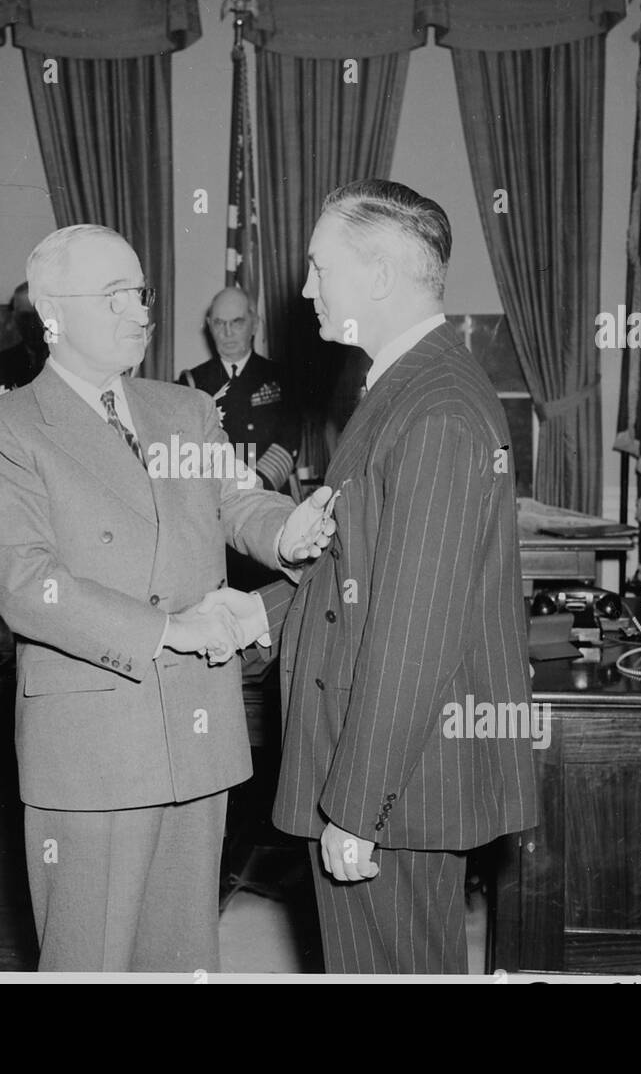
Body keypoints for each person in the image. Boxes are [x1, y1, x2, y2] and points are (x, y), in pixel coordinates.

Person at [0, 224, 335, 972]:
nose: (140, 313)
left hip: (197, 732)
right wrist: (171, 628)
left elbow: (236, 500)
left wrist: (287, 529)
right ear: (52, 312)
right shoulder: (3, 430)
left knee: (183, 952)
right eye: (116, 296)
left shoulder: (185, 410)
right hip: (94, 744)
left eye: (142, 293)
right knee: (90, 957)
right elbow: (28, 585)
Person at [207, 180, 539, 973]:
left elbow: (415, 629)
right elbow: (366, 568)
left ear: (381, 275)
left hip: (396, 780)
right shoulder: (402, 386)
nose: (306, 287)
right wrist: (260, 612)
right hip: (397, 768)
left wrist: (357, 806)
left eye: (322, 267)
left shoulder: (434, 408)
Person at [178, 287, 299, 494]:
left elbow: (288, 443)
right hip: (216, 497)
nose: (227, 333)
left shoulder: (282, 378)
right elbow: (187, 450)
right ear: (209, 326)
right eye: (219, 323)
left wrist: (254, 489)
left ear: (254, 325)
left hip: (268, 494)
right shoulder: (192, 382)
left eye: (237, 322)